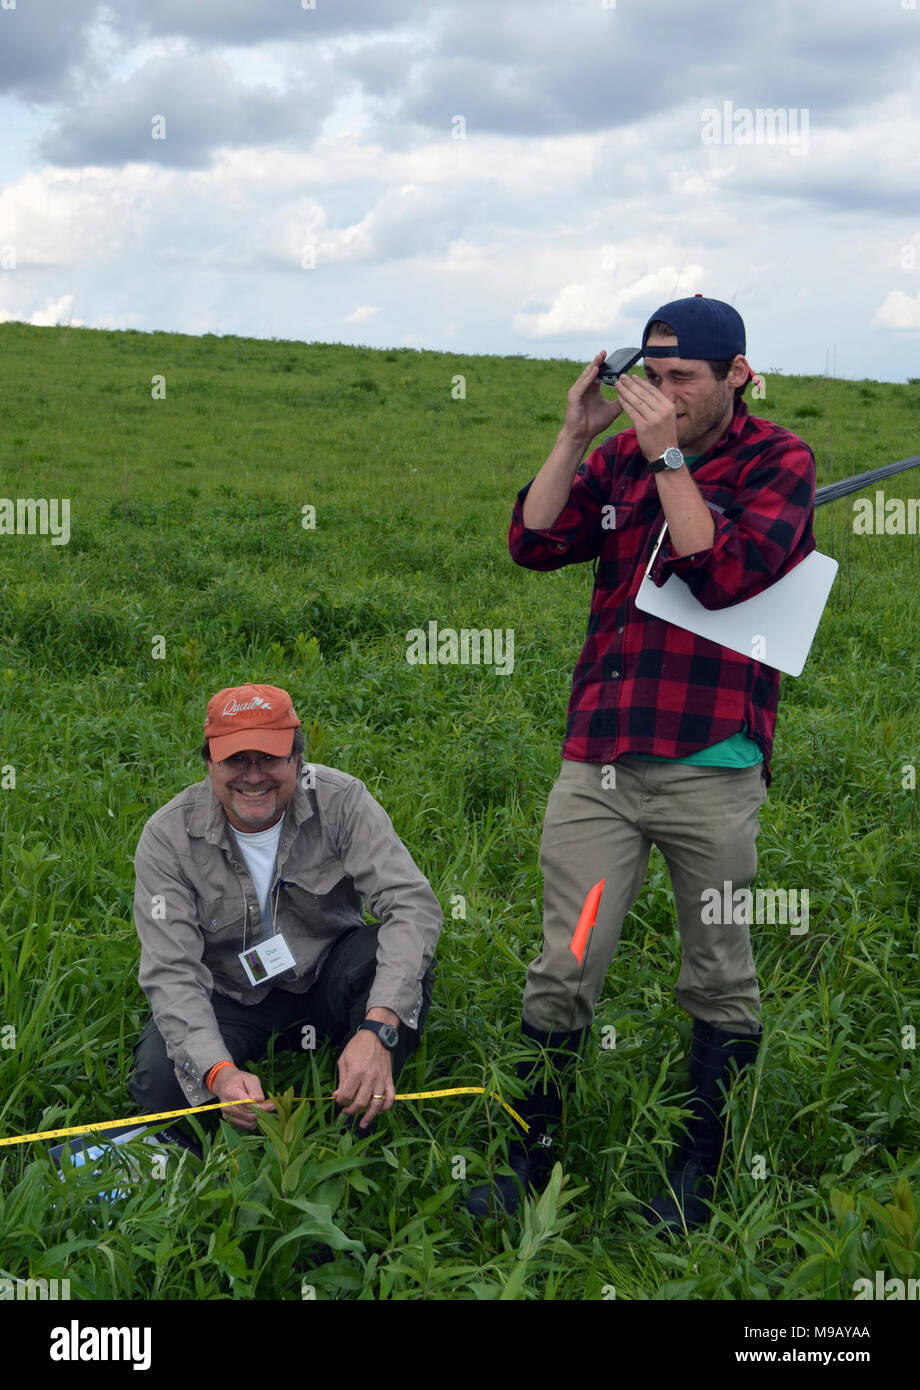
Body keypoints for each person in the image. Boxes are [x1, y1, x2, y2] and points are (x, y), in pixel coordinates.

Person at [466, 296, 816, 1230]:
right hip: (603, 764)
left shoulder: (779, 462)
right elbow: (534, 542)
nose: (660, 399)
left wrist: (669, 461)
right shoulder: (618, 452)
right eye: (648, 381)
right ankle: (526, 1160)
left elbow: (722, 573)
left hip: (714, 764)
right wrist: (575, 433)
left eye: (682, 382)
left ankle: (700, 1172)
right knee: (565, 960)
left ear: (736, 374)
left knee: (719, 969)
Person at [129, 683, 441, 1147]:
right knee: (161, 1078)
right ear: (209, 762)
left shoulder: (341, 801)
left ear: (297, 758)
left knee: (390, 959)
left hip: (325, 977)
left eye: (270, 759)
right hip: (230, 995)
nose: (253, 776)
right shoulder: (167, 837)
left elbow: (412, 906)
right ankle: (202, 1147)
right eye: (236, 760)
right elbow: (172, 971)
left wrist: (379, 1027)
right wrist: (218, 1072)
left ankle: (359, 1117)